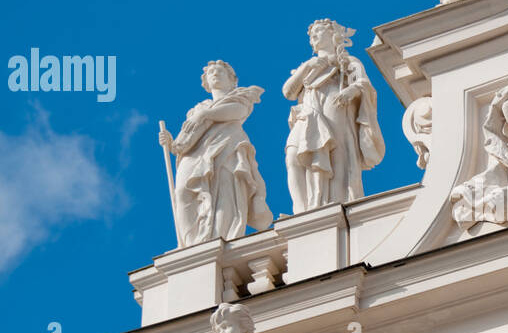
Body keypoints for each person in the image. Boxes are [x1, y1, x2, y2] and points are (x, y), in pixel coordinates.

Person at [158, 60, 273, 248]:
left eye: (219, 71)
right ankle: (190, 245)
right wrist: (170, 142)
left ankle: (219, 241)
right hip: (196, 156)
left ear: (232, 80)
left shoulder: (239, 96)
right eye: (211, 72)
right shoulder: (198, 109)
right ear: (206, 82)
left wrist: (205, 115)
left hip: (226, 148)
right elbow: (184, 142)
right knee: (183, 192)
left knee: (224, 196)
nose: (214, 74)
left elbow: (238, 111)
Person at [283, 20, 385, 214]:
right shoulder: (308, 66)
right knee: (293, 155)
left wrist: (351, 91)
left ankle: (336, 202)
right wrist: (307, 67)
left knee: (337, 154)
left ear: (334, 34)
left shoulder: (347, 61)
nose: (314, 36)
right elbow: (288, 92)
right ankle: (301, 209)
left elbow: (364, 84)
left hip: (335, 102)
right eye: (311, 34)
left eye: (319, 30)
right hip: (308, 110)